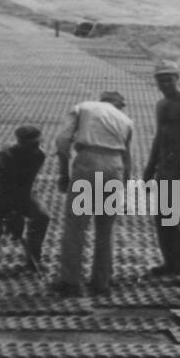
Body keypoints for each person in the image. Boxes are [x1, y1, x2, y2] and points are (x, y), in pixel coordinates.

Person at [52, 91, 133, 297]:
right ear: (120, 105)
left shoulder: (84, 107)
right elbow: (127, 158)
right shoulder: (126, 120)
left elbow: (62, 142)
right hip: (114, 167)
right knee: (106, 228)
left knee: (76, 226)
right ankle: (101, 281)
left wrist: (63, 173)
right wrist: (123, 187)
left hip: (88, 164)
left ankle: (71, 281)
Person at [142, 60, 180, 284]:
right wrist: (149, 167)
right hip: (164, 168)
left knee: (178, 218)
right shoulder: (161, 104)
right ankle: (170, 262)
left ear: (177, 79)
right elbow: (159, 137)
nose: (165, 83)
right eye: (161, 79)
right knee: (163, 218)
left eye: (169, 78)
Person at [0, 126, 49, 272]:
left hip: (21, 194)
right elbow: (5, 187)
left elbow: (26, 185)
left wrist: (18, 213)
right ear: (20, 143)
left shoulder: (39, 156)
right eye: (32, 145)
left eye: (38, 143)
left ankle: (33, 258)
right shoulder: (5, 155)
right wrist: (13, 216)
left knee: (42, 216)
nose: (36, 147)